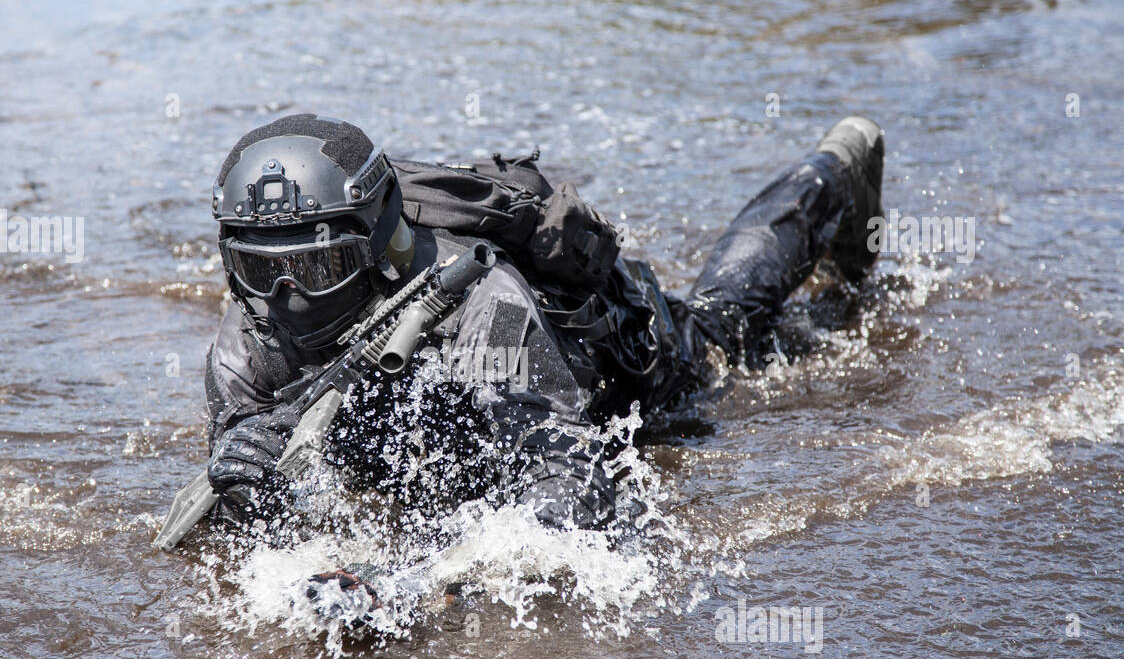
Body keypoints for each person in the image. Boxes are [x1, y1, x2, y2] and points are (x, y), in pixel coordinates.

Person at [202, 112, 883, 539]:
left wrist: (421, 583)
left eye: (322, 268)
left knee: (731, 325)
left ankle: (833, 167)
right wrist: (249, 493)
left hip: (624, 373)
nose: (288, 296)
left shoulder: (479, 302)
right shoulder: (244, 345)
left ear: (380, 244)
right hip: (458, 421)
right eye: (263, 274)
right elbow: (246, 523)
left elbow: (569, 488)